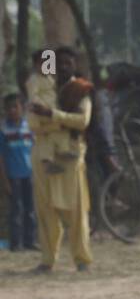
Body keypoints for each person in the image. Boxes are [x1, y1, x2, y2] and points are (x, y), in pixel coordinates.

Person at [30, 47, 93, 272]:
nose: (64, 67)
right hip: (43, 154)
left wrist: (51, 115)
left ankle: (82, 259)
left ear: (75, 65)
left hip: (71, 156)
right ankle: (47, 260)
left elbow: (83, 120)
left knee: (76, 211)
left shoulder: (80, 89)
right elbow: (33, 123)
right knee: (45, 210)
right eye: (60, 63)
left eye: (69, 63)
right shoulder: (41, 87)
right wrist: (62, 121)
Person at [2, 93, 36, 252]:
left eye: (15, 106)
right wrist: (5, 181)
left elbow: (35, 149)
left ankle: (31, 241)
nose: (12, 110)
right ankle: (17, 243)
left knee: (30, 208)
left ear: (22, 108)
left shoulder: (29, 126)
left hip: (29, 174)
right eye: (9, 108)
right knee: (16, 210)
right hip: (13, 175)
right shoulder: (4, 130)